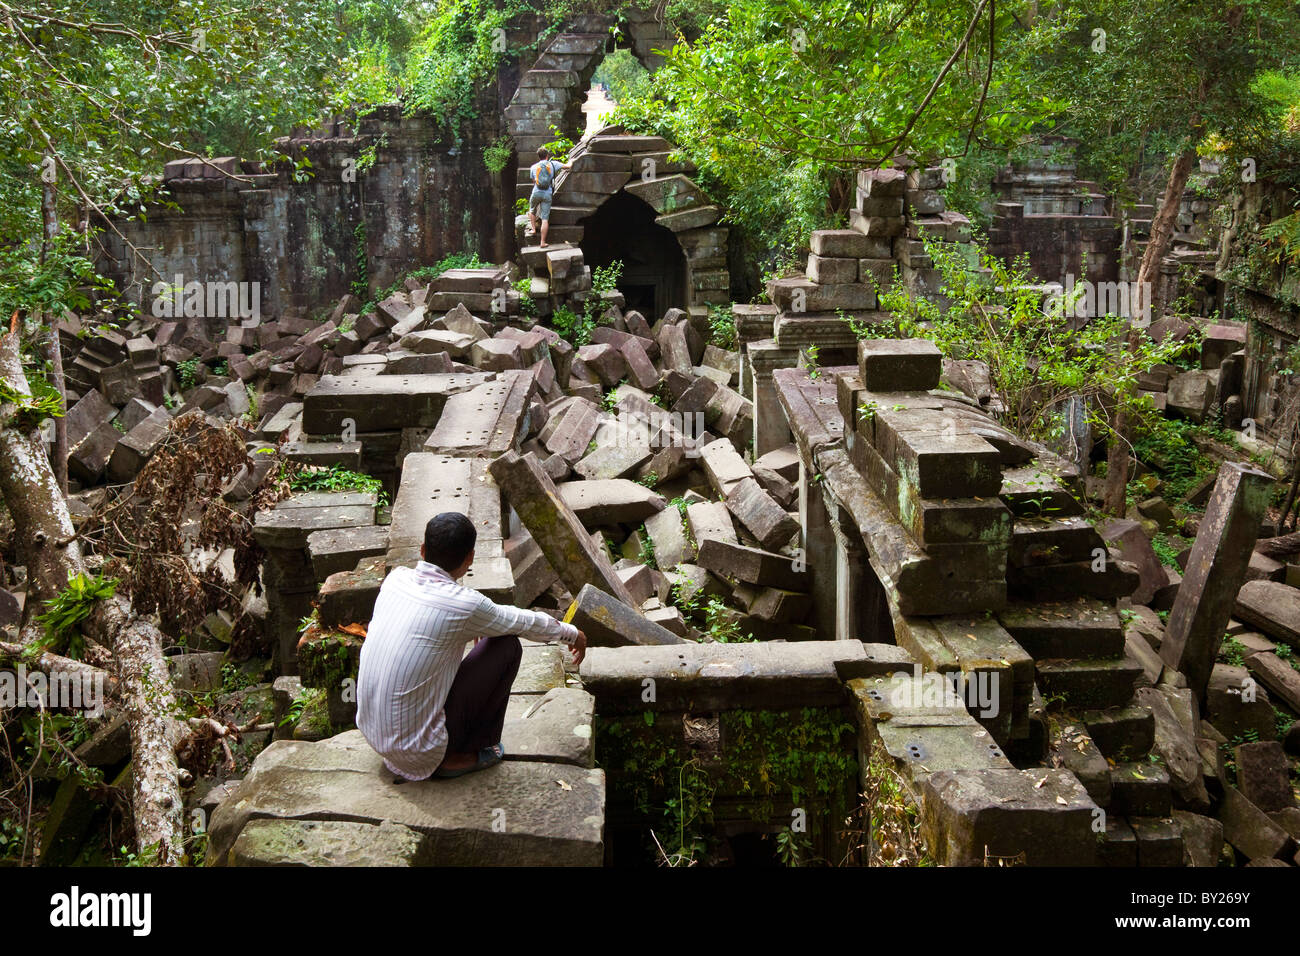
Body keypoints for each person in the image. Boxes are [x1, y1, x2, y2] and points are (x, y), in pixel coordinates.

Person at [356, 512, 587, 781]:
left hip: (374, 735)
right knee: (507, 645)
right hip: (419, 752)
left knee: (486, 636)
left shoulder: (395, 579)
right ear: (470, 558)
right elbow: (522, 621)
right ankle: (458, 755)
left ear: (422, 550)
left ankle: (434, 745)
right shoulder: (465, 604)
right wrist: (572, 634)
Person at [526, 147, 570, 248]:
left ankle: (533, 229)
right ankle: (542, 242)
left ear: (538, 156)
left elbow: (534, 181)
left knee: (532, 210)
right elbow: (568, 166)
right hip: (547, 194)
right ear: (547, 155)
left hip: (536, 192)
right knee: (545, 219)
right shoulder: (553, 164)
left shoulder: (533, 167)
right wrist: (571, 161)